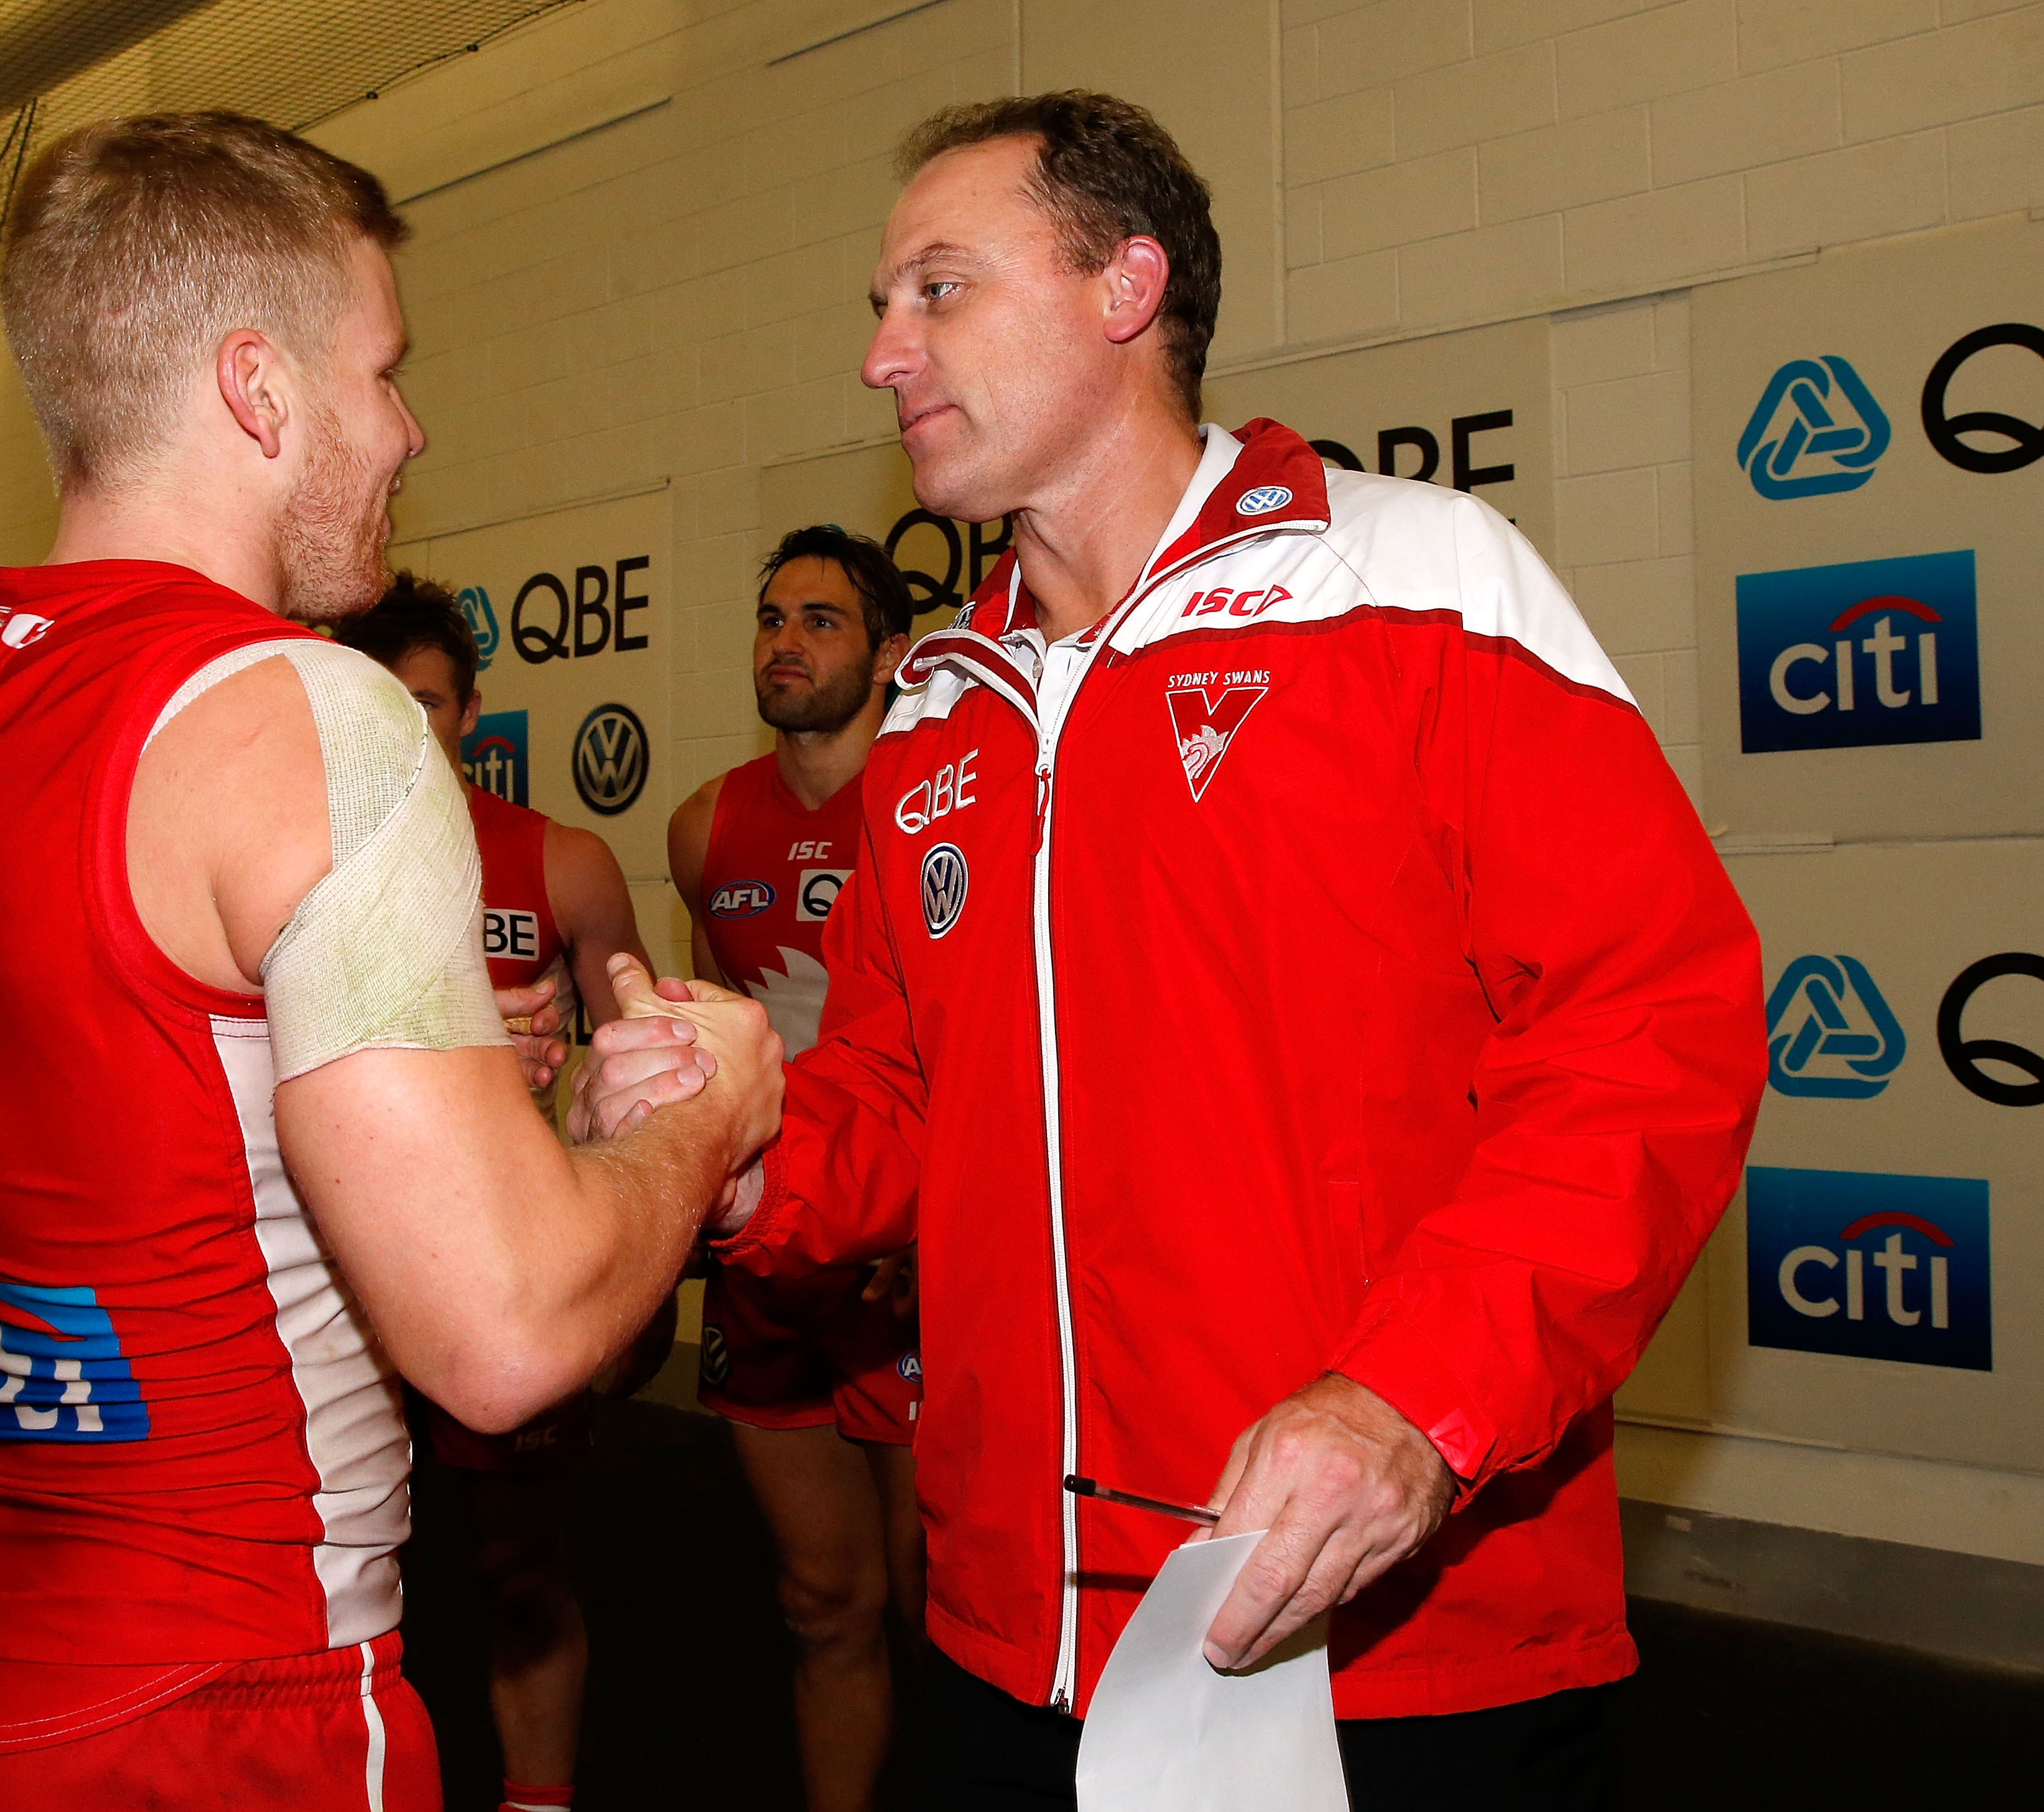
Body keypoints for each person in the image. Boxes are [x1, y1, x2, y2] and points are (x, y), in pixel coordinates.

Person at [580, 91, 1766, 1811]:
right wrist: (741, 1142)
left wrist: (1411, 1404)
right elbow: (906, 1098)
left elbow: (1651, 1028)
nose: (880, 356)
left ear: (1124, 289)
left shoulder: (1417, 585)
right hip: (1007, 1645)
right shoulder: (938, 713)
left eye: (935, 290)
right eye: (877, 305)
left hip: (1372, 1641)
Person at [0, 113, 778, 1812]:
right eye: (380, 371)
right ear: (259, 391)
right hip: (210, 1701)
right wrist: (702, 1125)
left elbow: (151, 1112)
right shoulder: (305, 714)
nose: (406, 428)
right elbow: (504, 1332)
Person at [333, 574, 667, 1812]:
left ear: (471, 710)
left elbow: (647, 1070)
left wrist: (621, 1277)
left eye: (428, 702)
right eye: (382, 701)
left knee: (519, 1566)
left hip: (493, 1271)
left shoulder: (558, 860)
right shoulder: (293, 863)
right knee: (343, 1571)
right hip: (335, 1291)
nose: (407, 727)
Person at [664, 526, 925, 1812]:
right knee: (824, 1598)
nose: (786, 639)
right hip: (773, 1272)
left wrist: (926, 1219)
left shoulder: (941, 810)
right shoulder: (705, 826)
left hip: (912, 1272)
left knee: (941, 1606)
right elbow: (725, 1038)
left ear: (890, 653)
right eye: (773, 616)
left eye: (821, 619)